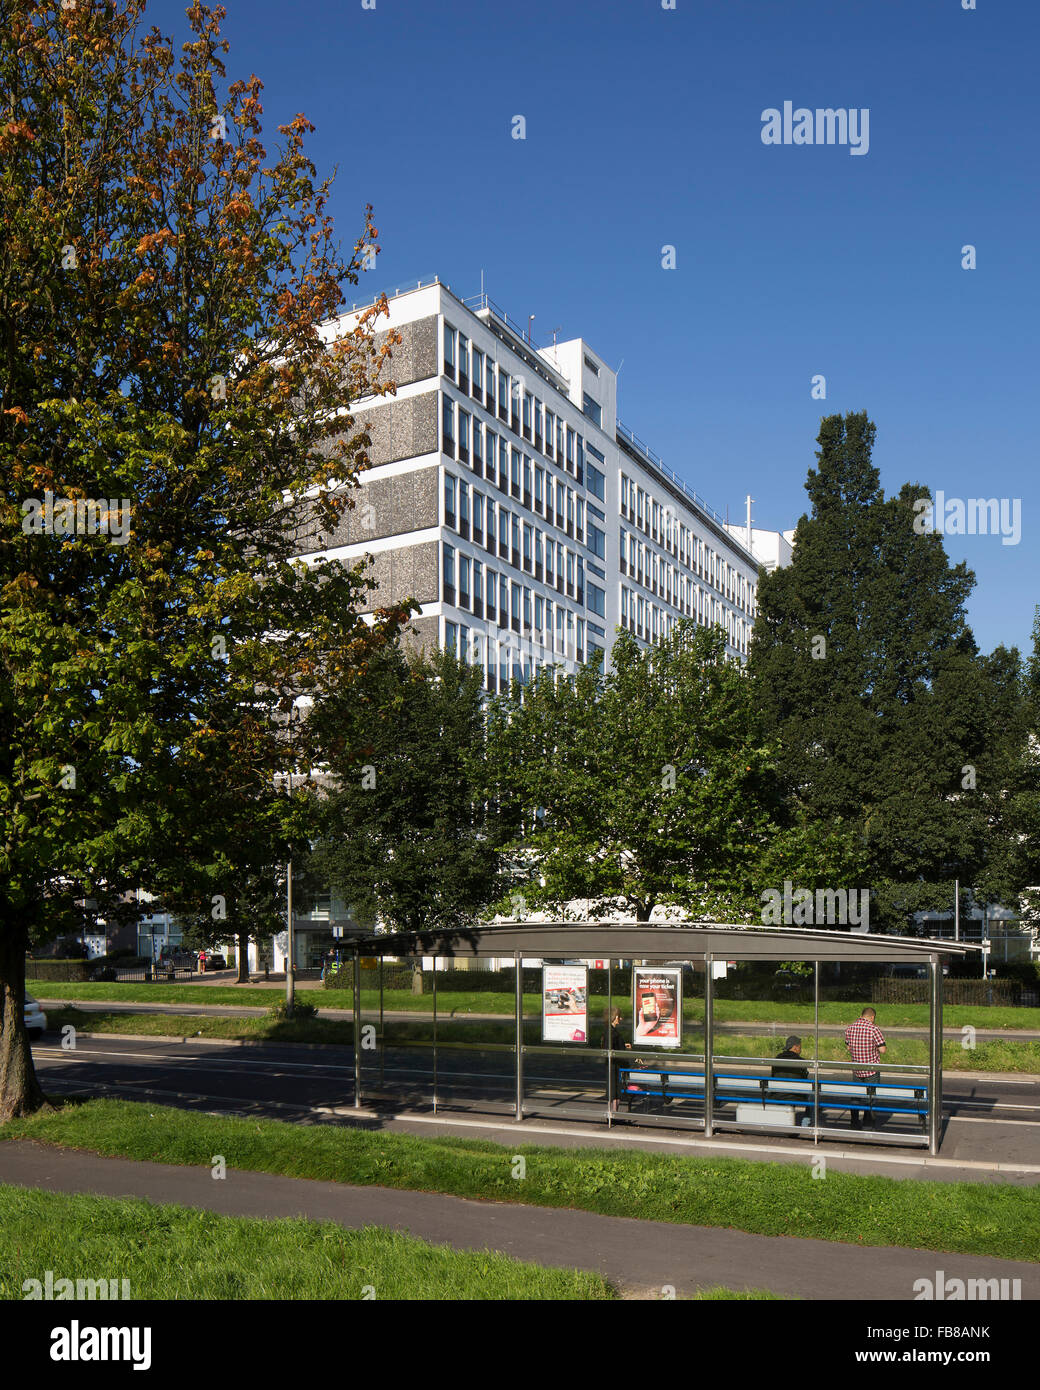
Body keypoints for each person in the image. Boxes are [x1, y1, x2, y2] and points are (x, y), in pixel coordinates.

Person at [844, 1007, 886, 1130]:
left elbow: (848, 1047)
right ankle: (868, 1123)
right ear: (872, 1017)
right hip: (871, 1070)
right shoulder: (874, 1029)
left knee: (856, 1097)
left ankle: (854, 1122)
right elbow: (882, 1050)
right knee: (871, 1097)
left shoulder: (850, 1028)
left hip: (856, 1069)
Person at [771, 1035, 812, 1127]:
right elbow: (804, 1081)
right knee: (812, 1097)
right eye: (800, 1047)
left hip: (777, 1093)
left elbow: (773, 1075)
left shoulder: (777, 1058)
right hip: (794, 1094)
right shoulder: (801, 1061)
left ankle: (782, 1120)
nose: (801, 1049)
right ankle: (805, 1125)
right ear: (795, 1047)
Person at [608, 1008, 633, 1111]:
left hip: (614, 1064)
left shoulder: (611, 1030)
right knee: (616, 1091)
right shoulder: (612, 1032)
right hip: (615, 1065)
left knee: (614, 1091)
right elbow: (610, 1048)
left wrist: (623, 1045)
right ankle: (613, 1113)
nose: (621, 1019)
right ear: (616, 1017)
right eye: (619, 1017)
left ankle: (613, 1113)